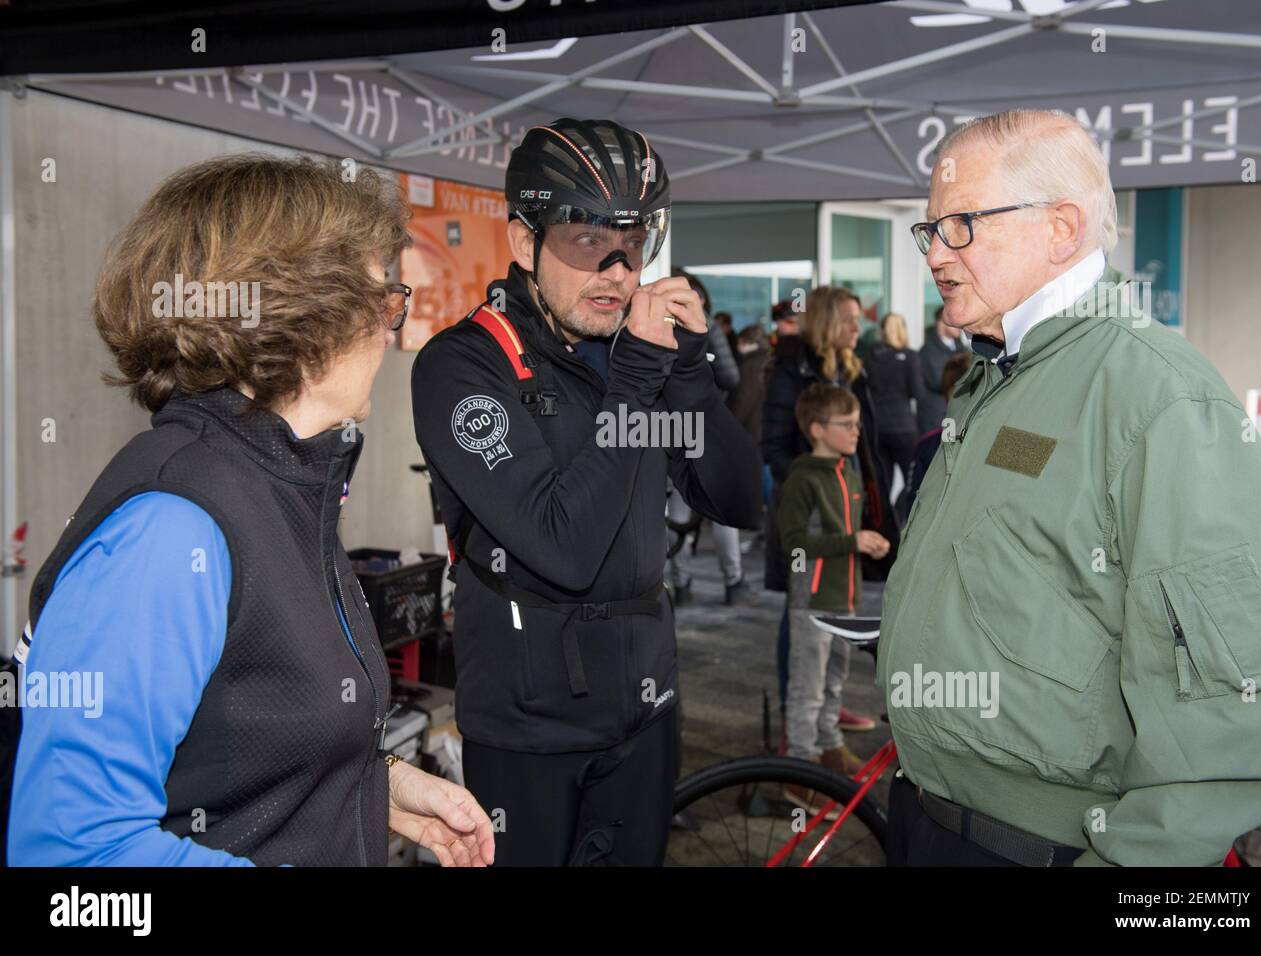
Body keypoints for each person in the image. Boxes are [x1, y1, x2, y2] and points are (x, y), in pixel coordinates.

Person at [3, 155, 494, 866]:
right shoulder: (172, 527)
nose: (391, 332)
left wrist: (376, 788)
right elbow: (73, 860)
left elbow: (241, 747)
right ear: (302, 316)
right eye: (384, 302)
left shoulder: (281, 478)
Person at [882, 109, 1261, 866]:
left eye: (962, 225)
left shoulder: (1160, 397)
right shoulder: (998, 374)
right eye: (931, 230)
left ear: (1062, 228)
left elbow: (1239, 717)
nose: (937, 255)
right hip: (927, 817)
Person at [410, 119, 762, 866]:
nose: (616, 270)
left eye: (633, 244)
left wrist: (692, 373)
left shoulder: (631, 353)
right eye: (584, 242)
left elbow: (739, 502)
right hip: (527, 726)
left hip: (646, 708)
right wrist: (636, 378)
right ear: (521, 243)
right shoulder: (465, 365)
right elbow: (563, 546)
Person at [762, 285, 898, 743]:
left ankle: (825, 712)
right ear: (826, 322)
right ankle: (797, 719)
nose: (859, 328)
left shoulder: (852, 368)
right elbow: (775, 447)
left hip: (849, 494)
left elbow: (868, 443)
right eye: (849, 320)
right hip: (813, 512)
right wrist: (813, 482)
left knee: (840, 607)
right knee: (801, 616)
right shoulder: (790, 369)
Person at [779, 384, 891, 810]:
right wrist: (852, 542)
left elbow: (847, 535)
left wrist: (864, 543)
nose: (857, 432)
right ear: (817, 430)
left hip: (845, 597)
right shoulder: (803, 479)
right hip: (813, 601)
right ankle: (797, 769)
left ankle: (828, 744)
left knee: (834, 679)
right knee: (807, 686)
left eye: (857, 423)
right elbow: (792, 545)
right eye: (847, 425)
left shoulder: (848, 470)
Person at [665, 268, 755, 606]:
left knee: (680, 504)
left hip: (670, 426)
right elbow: (731, 377)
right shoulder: (705, 325)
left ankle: (682, 583)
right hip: (700, 425)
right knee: (718, 504)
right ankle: (733, 581)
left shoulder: (653, 323)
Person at [897, 350, 972, 521]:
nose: (963, 404)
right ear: (946, 396)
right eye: (956, 396)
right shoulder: (927, 446)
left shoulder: (994, 440)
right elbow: (913, 506)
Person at [865, 312, 923, 499]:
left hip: (877, 427)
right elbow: (917, 392)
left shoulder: (871, 356)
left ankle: (885, 525)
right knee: (914, 482)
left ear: (882, 331)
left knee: (882, 483)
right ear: (902, 330)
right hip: (903, 426)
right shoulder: (910, 357)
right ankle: (902, 520)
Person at [916, 306, 967, 434]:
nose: (960, 326)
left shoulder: (962, 349)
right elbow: (939, 381)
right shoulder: (927, 351)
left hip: (958, 413)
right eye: (955, 320)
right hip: (935, 416)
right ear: (941, 322)